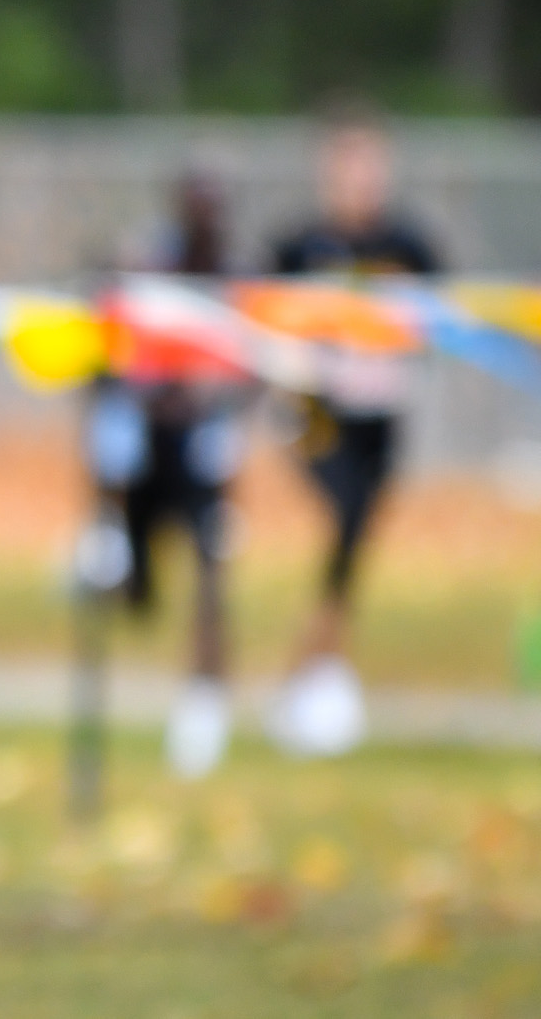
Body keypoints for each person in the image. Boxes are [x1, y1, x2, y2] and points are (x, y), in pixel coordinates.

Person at [266, 110, 439, 757]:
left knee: (351, 546)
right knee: (344, 525)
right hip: (318, 415)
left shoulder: (408, 246)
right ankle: (318, 677)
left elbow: (439, 320)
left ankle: (310, 676)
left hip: (380, 419)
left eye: (372, 165)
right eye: (350, 166)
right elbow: (263, 319)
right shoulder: (301, 245)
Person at [105, 170, 253, 778]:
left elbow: (254, 366)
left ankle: (205, 699)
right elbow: (117, 355)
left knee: (211, 569)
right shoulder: (153, 267)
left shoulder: (237, 278)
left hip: (205, 448)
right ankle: (117, 553)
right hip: (149, 445)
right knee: (139, 585)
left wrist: (214, 398)